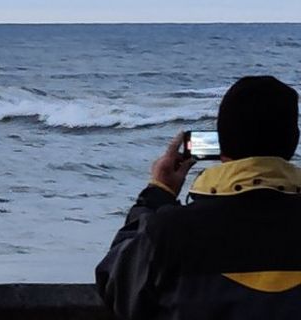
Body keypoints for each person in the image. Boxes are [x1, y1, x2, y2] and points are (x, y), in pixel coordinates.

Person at [96, 75, 301, 319]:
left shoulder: (169, 233)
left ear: (222, 145)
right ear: (294, 141)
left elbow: (117, 284)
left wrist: (158, 193)